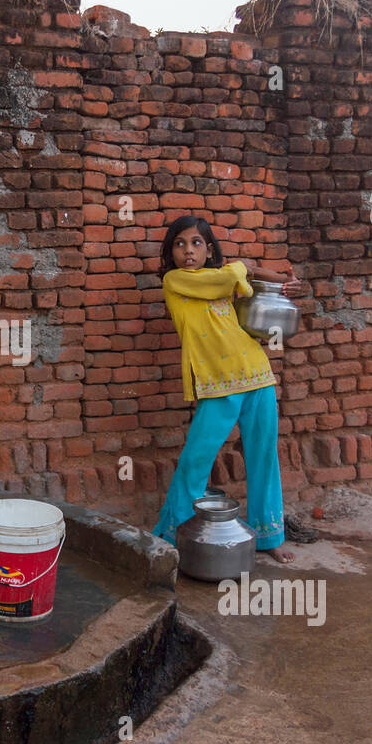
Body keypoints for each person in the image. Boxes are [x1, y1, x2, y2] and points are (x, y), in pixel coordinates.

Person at [152, 215, 304, 564]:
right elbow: (238, 272)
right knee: (196, 460)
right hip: (218, 384)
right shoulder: (176, 281)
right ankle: (172, 535)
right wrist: (262, 273)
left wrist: (288, 284)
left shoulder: (225, 281)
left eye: (196, 243)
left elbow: (248, 278)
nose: (188, 251)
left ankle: (268, 537)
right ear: (171, 252)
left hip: (257, 375)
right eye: (180, 244)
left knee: (263, 456)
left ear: (208, 250)